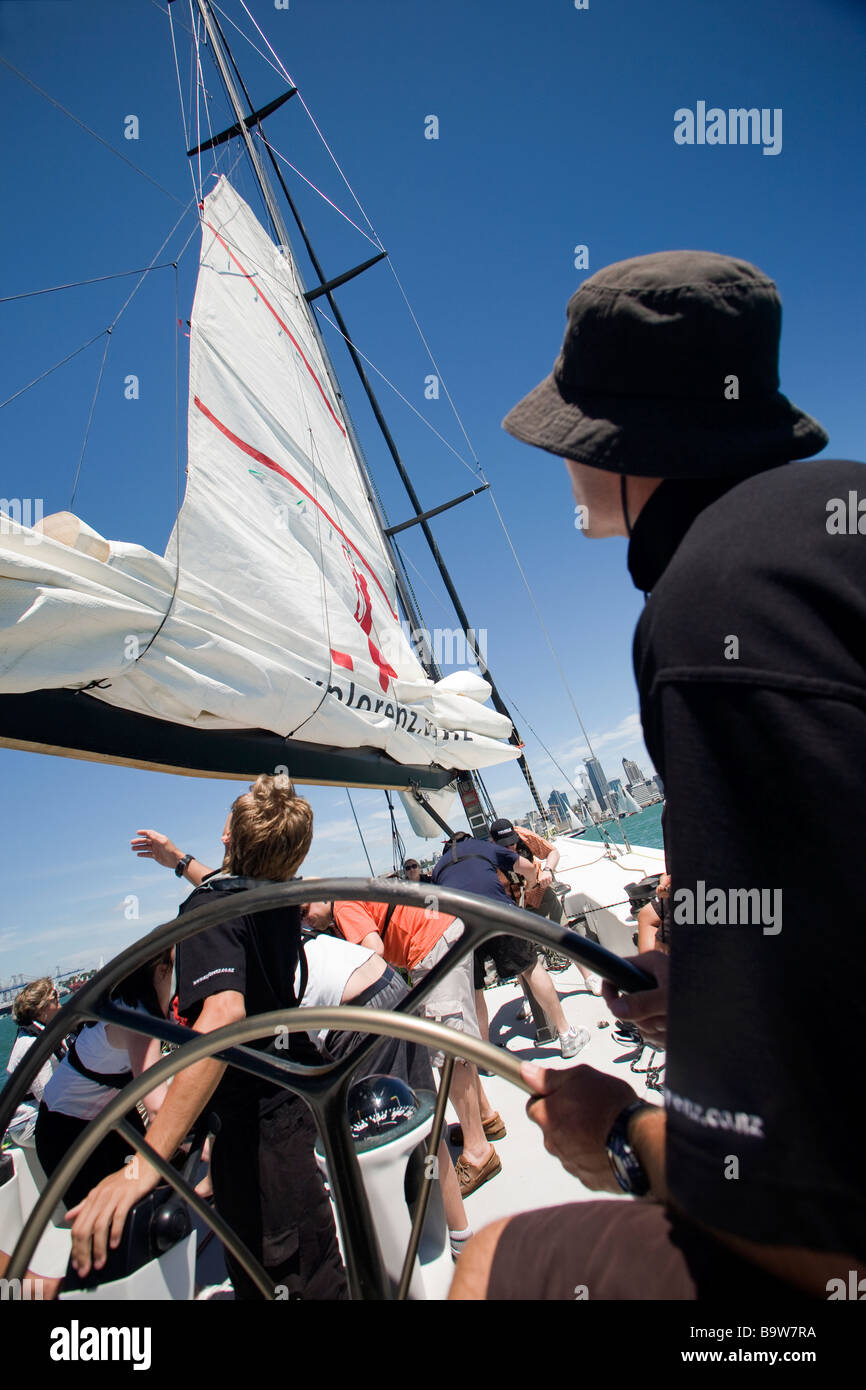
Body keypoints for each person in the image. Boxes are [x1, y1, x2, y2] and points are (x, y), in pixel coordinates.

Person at [451, 250, 866, 1300]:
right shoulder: (827, 529)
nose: (560, 458)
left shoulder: (707, 604)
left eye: (574, 430)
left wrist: (621, 1139)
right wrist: (722, 982)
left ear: (631, 446)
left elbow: (811, 1231)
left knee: (493, 1256)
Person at [67, 776, 347, 1300]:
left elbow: (221, 1017)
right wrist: (177, 861)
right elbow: (233, 883)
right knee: (310, 1244)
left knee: (282, 1268)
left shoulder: (209, 915)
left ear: (228, 836)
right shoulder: (283, 895)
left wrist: (143, 1167)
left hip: (253, 1127)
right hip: (288, 1098)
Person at [304, 896, 505, 1198]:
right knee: (456, 1043)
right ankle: (486, 1117)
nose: (308, 920)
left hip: (430, 946)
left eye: (306, 911)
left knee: (449, 1053)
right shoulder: (348, 900)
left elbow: (374, 951)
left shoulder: (342, 906)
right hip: (441, 936)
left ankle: (478, 1153)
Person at [296, 919, 473, 1256]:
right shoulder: (296, 934)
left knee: (372, 1145)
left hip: (360, 1014)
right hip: (389, 987)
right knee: (425, 1122)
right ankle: (461, 1238)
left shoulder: (252, 964)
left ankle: (402, 1262)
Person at [432, 831, 589, 1060]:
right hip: (497, 914)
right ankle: (567, 1035)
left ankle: (486, 1056)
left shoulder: (438, 868)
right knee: (530, 967)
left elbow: (433, 907)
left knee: (475, 989)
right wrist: (533, 884)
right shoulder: (483, 847)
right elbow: (525, 867)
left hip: (461, 927)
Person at [35, 952, 173, 1210]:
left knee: (146, 1197)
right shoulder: (136, 1017)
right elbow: (157, 1107)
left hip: (110, 1116)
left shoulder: (137, 1007)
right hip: (65, 1133)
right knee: (103, 1216)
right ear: (162, 971)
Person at [489, 818, 602, 995]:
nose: (510, 848)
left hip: (539, 891)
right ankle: (529, 996)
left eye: (512, 842)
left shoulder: (525, 836)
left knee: (564, 933)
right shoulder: (488, 856)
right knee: (518, 949)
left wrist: (548, 870)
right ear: (493, 842)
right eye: (504, 845)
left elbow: (552, 852)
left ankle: (589, 978)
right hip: (513, 902)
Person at [4, 979, 65, 1148]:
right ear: (41, 1009)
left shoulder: (41, 1034)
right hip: (28, 1122)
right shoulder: (31, 1044)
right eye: (55, 998)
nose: (59, 1004)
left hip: (41, 1112)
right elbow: (48, 1098)